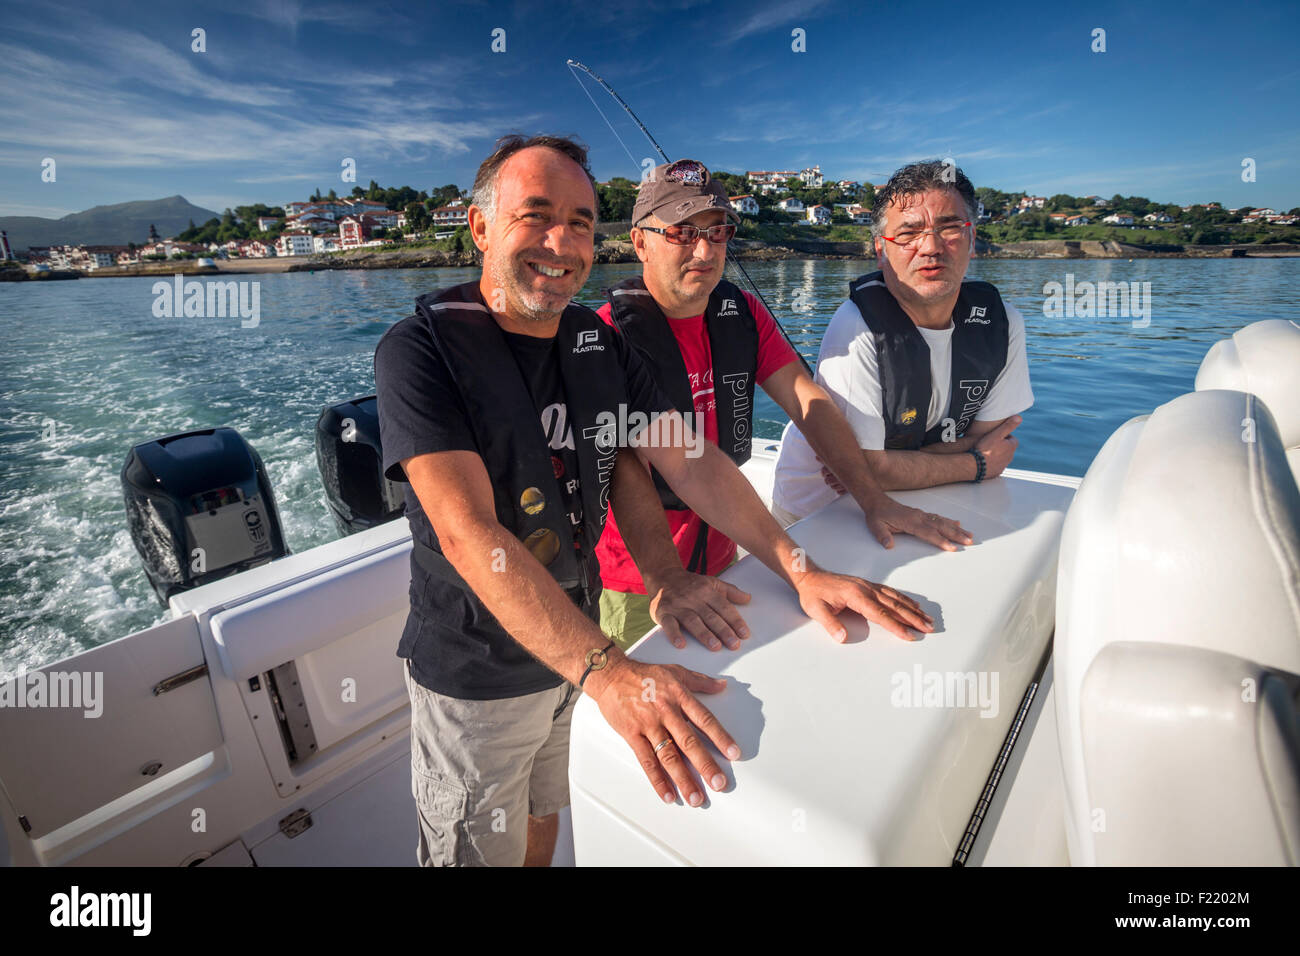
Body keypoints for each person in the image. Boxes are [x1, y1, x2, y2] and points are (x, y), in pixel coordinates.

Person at [374, 134, 934, 867]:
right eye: (535, 215)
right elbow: (467, 533)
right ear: (479, 228)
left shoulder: (595, 347)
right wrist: (609, 671)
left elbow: (689, 463)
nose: (562, 241)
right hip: (479, 676)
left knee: (546, 813)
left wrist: (799, 568)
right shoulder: (419, 352)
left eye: (579, 221)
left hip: (577, 643)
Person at [595, 159, 971, 651]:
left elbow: (808, 403)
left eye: (719, 231)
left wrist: (872, 497)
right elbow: (628, 467)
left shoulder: (744, 316)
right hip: (643, 579)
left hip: (731, 546)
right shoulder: (605, 338)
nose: (705, 250)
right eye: (682, 233)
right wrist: (666, 574)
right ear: (640, 240)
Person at [773, 160, 1033, 523]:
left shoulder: (1003, 324)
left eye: (950, 227)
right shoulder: (857, 328)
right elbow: (869, 472)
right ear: (881, 250)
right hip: (821, 512)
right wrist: (974, 462)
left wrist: (887, 466)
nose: (930, 247)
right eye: (909, 233)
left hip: (935, 497)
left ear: (973, 240)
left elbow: (995, 440)